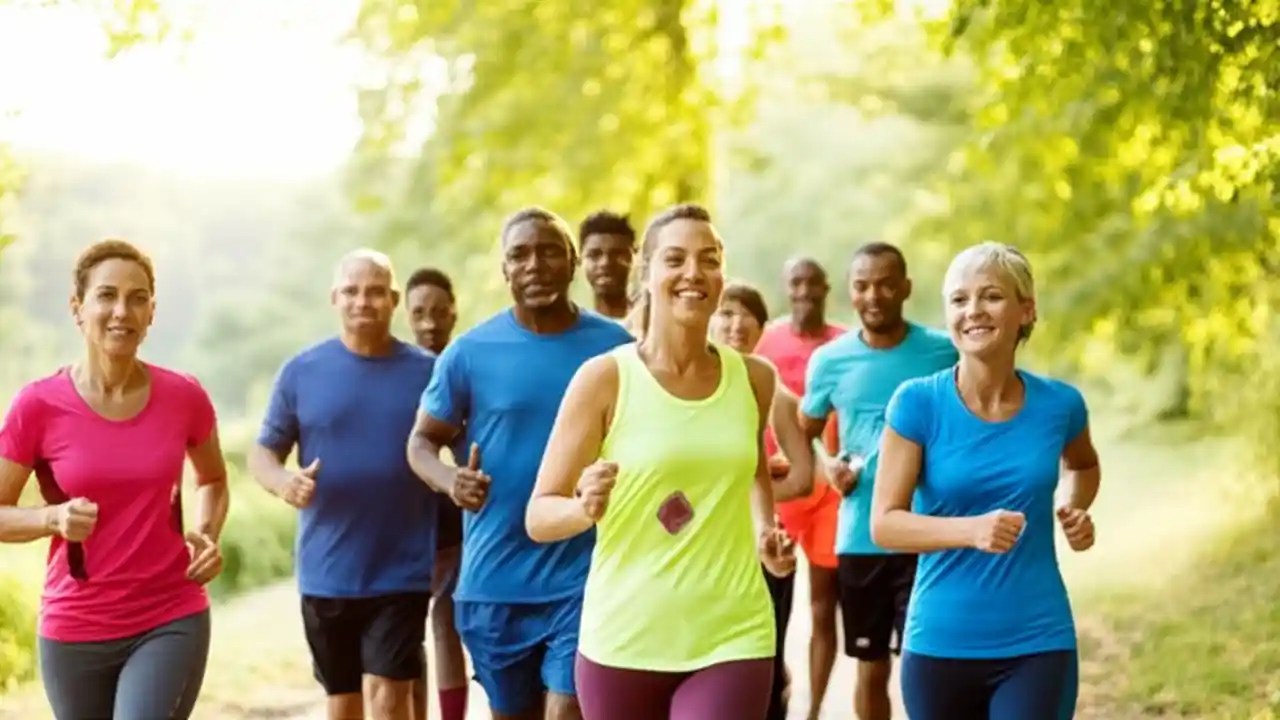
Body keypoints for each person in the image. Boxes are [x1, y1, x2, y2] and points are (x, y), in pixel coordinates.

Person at [527, 203, 797, 720]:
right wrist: (584, 509)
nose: (694, 272)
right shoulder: (604, 379)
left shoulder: (755, 379)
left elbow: (752, 473)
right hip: (624, 639)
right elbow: (539, 515)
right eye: (675, 259)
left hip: (733, 632)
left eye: (709, 259)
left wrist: (767, 533)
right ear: (646, 273)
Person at [407, 207, 632, 720]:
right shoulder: (468, 353)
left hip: (584, 576)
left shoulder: (616, 349)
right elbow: (421, 442)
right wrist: (450, 479)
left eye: (549, 251)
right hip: (495, 582)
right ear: (504, 269)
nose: (535, 264)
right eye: (520, 254)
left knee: (568, 710)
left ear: (573, 262)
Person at [0, 239, 228, 720]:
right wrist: (51, 518)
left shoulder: (184, 396)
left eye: (137, 298)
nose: (122, 311)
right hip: (74, 625)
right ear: (77, 308)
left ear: (151, 313)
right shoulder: (37, 406)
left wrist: (206, 536)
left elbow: (212, 479)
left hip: (170, 613)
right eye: (107, 295)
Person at [870, 241, 1100, 719]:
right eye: (959, 299)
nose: (973, 310)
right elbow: (885, 524)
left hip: (1038, 642)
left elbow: (1082, 466)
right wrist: (971, 530)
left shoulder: (1061, 405)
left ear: (1026, 310)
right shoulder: (916, 403)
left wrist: (1073, 506)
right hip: (939, 645)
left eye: (991, 296)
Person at [249, 249, 438, 720]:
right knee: (343, 702)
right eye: (351, 291)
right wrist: (283, 482)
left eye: (375, 292)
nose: (362, 301)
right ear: (334, 298)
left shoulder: (428, 371)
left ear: (394, 299)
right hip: (327, 568)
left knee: (389, 696)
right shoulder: (301, 371)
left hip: (401, 568)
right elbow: (263, 454)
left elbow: (460, 441)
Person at [799, 242, 958, 720]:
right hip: (861, 535)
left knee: (928, 668)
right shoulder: (830, 360)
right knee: (870, 669)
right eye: (862, 286)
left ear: (905, 288)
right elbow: (806, 431)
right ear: (850, 292)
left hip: (927, 532)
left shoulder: (942, 351)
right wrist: (829, 464)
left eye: (886, 285)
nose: (873, 296)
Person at [709, 281, 819, 720]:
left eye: (747, 316)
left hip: (763, 549)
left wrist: (746, 491)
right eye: (726, 314)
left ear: (763, 328)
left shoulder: (776, 395)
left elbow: (804, 479)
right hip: (701, 549)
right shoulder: (684, 390)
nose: (736, 325)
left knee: (764, 662)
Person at [753, 256, 844, 720]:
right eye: (796, 283)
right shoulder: (766, 341)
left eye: (812, 282)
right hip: (779, 490)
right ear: (786, 288)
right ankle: (776, 683)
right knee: (773, 604)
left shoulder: (844, 344)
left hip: (829, 495)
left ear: (826, 287)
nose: (804, 291)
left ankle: (814, 710)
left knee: (823, 606)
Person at [404, 267, 469, 720]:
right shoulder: (398, 371)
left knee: (446, 624)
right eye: (419, 313)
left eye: (438, 312)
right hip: (403, 522)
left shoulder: (466, 364)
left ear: (453, 313)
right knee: (406, 634)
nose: (429, 323)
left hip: (454, 521)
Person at [578, 209, 636, 320]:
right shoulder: (571, 326)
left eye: (617, 254)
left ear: (635, 258)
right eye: (594, 255)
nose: (605, 263)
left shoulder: (653, 322)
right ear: (580, 261)